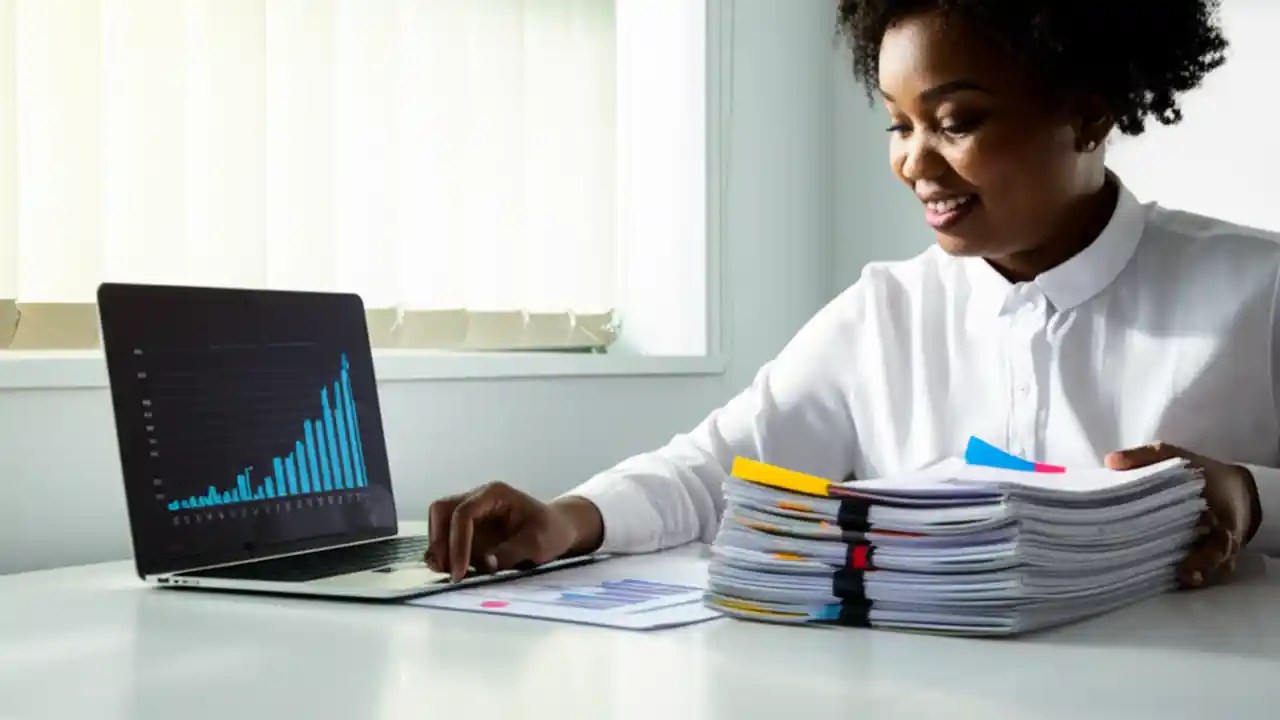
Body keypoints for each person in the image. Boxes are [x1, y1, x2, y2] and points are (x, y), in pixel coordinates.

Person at [425, 0, 1279, 590]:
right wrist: (567, 520)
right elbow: (719, 470)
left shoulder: (1258, 289)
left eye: (957, 121)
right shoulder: (885, 314)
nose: (914, 162)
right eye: (898, 123)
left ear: (1088, 116)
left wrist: (1247, 495)